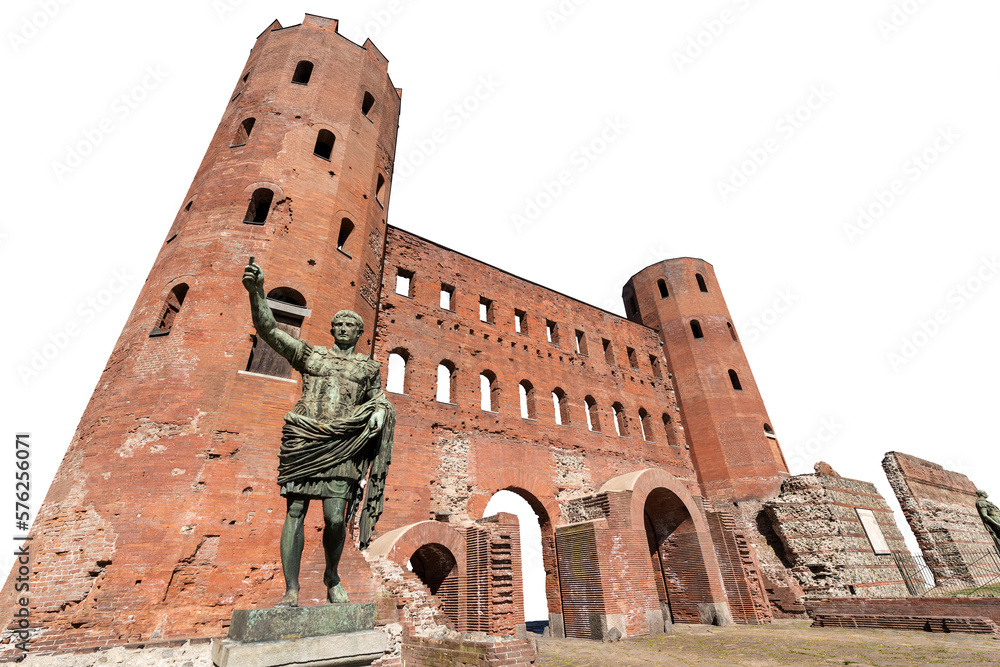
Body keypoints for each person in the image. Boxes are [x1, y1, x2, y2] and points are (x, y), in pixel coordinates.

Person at [242, 257, 394, 607]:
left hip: (342, 446)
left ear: (359, 333)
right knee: (294, 511)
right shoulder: (311, 355)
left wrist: (378, 414)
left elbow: (381, 401)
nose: (343, 328)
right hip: (305, 438)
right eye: (338, 324)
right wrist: (257, 292)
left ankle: (331, 575)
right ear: (332, 330)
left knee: (334, 519)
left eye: (349, 325)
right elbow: (269, 331)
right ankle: (291, 590)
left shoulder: (368, 368)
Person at [976, 490, 1000, 555]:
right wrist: (997, 524)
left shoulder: (986, 502)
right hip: (995, 521)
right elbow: (985, 515)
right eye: (985, 493)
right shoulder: (981, 502)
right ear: (983, 494)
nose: (987, 494)